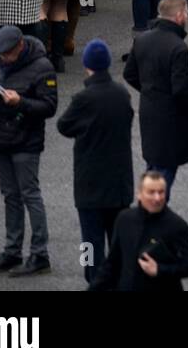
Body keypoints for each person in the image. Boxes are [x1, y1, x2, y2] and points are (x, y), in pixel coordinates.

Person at [0, 25, 58, 277]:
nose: (2, 59)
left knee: (30, 194)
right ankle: (12, 251)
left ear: (20, 46)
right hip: (2, 138)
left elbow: (49, 106)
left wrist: (20, 102)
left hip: (27, 140)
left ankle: (39, 254)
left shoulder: (42, 67)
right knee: (10, 196)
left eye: (7, 54)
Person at [55, 39, 134, 285]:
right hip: (119, 181)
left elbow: (63, 125)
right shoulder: (121, 94)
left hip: (90, 182)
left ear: (88, 65)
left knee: (90, 242)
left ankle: (94, 281)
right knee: (118, 239)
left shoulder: (83, 99)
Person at [122, 0, 188, 199]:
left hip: (149, 110)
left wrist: (149, 90)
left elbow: (129, 74)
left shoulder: (142, 40)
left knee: (154, 166)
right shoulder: (179, 48)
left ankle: (147, 210)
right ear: (180, 15)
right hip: (171, 117)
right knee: (165, 172)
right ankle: (151, 213)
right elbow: (182, 89)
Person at [89, 171, 188, 292]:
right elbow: (113, 262)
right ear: (139, 194)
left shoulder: (177, 226)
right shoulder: (124, 220)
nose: (157, 198)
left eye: (161, 192)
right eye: (151, 192)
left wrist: (159, 270)